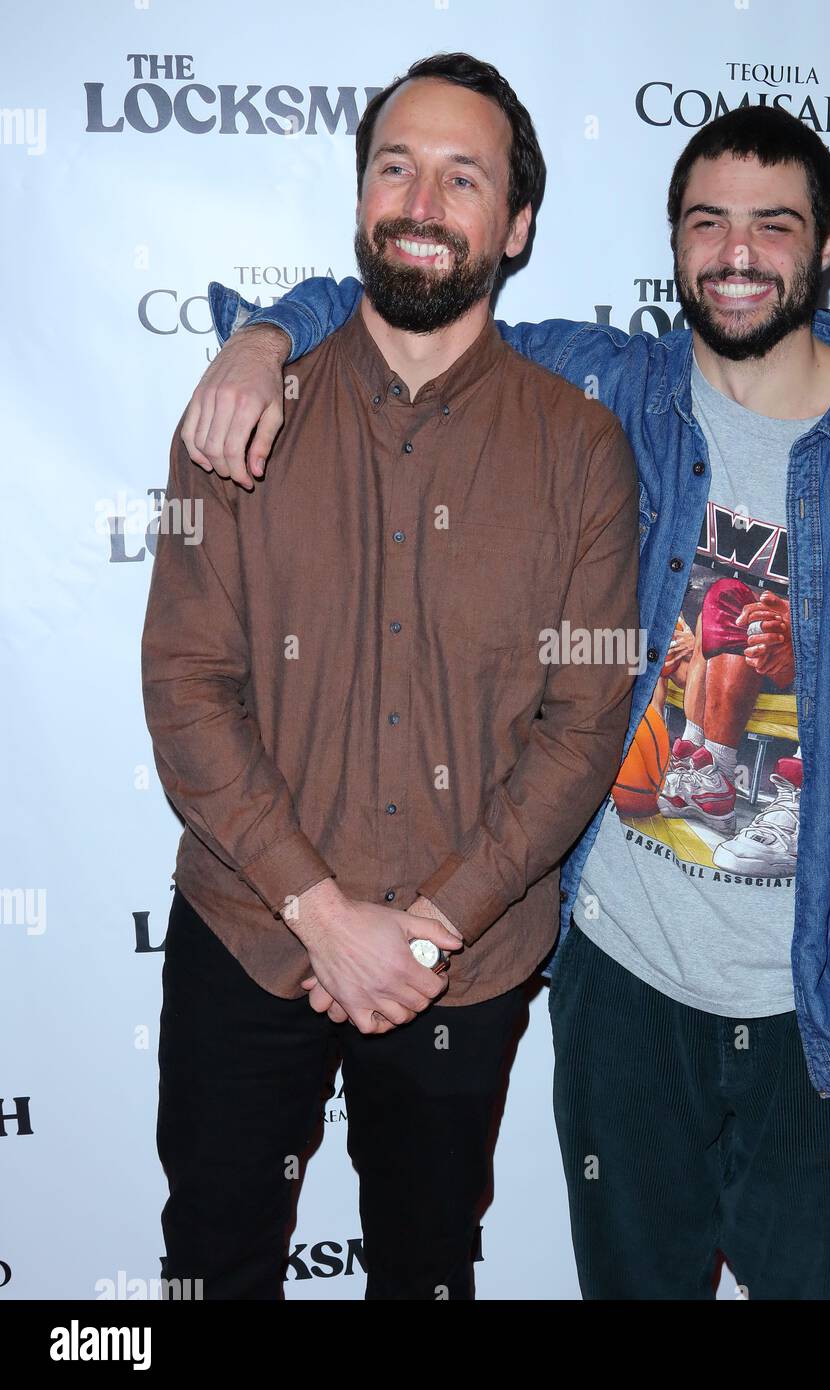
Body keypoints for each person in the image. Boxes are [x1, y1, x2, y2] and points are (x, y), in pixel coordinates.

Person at [180, 100, 830, 1299]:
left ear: (828, 247)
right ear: (672, 242)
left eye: (772, 225)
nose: (736, 253)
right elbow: (417, 300)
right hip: (621, 983)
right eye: (705, 222)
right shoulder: (610, 387)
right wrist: (263, 334)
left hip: (827, 1009)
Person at [141, 52, 639, 1300]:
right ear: (360, 195)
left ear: (515, 225)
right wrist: (320, 910)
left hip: (464, 958)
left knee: (424, 1269)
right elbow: (188, 684)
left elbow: (584, 723)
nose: (421, 200)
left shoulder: (580, 446)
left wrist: (429, 931)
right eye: (395, 167)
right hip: (248, 931)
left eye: (461, 176)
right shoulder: (238, 410)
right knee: (212, 1262)